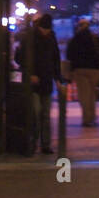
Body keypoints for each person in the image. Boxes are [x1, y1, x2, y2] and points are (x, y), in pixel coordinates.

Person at [14, 13, 61, 154]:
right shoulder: (30, 37)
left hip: (46, 81)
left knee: (45, 114)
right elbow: (20, 58)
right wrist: (30, 74)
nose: (46, 32)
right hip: (34, 83)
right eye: (44, 29)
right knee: (36, 112)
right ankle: (33, 142)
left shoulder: (51, 37)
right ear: (40, 27)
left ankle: (45, 144)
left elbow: (55, 59)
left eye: (48, 29)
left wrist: (58, 79)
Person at [66, 18, 99, 126]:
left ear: (79, 26)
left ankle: (87, 119)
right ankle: (92, 117)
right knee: (92, 95)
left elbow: (69, 55)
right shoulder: (96, 38)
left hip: (80, 70)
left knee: (84, 95)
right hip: (95, 70)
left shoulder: (75, 39)